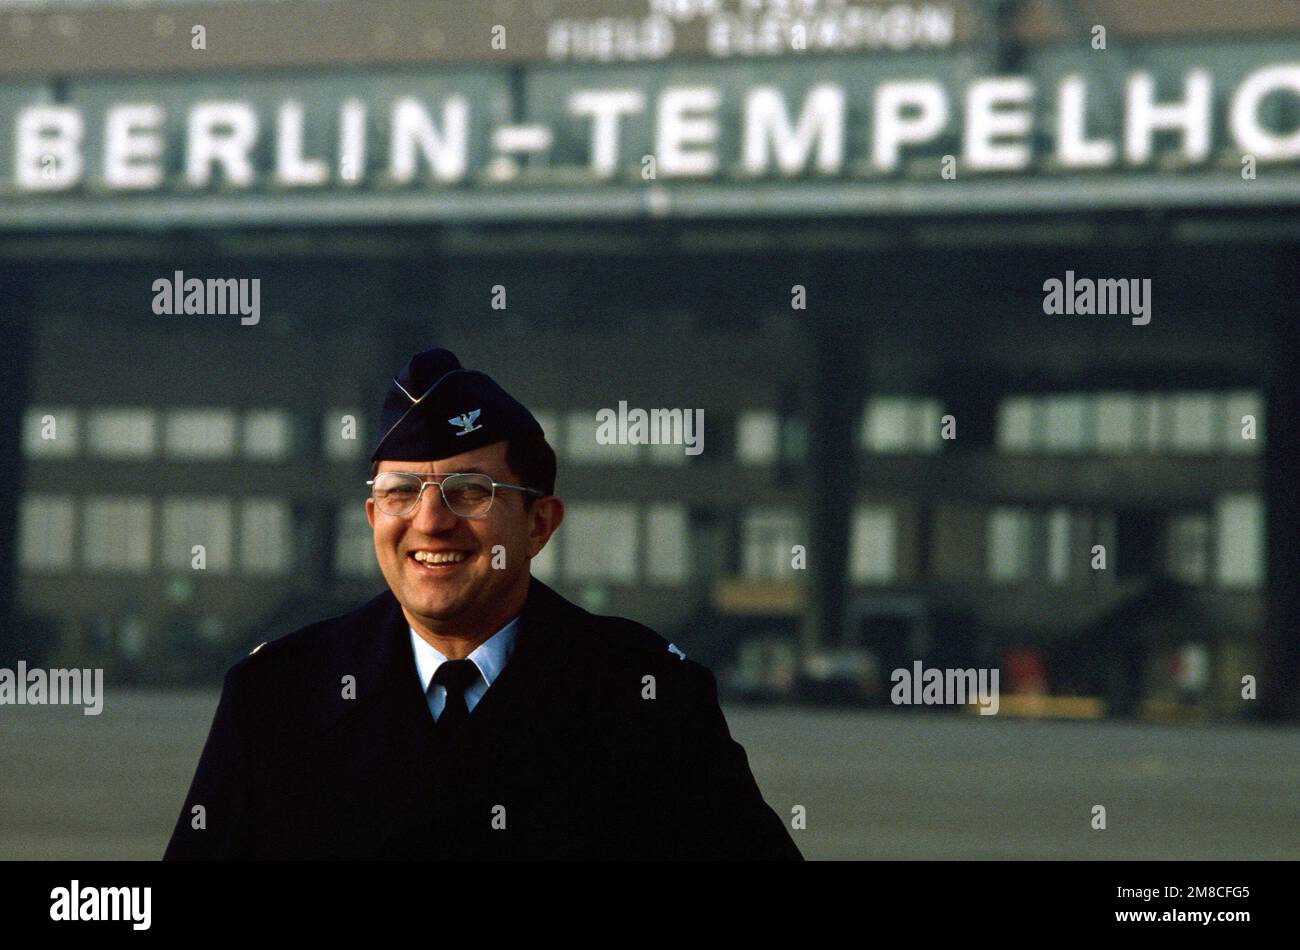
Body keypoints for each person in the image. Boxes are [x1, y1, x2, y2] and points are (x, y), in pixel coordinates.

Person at [164, 347, 802, 860]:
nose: (430, 522)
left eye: (470, 491)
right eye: (401, 492)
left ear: (538, 523)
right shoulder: (276, 699)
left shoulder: (649, 701)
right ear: (370, 515)